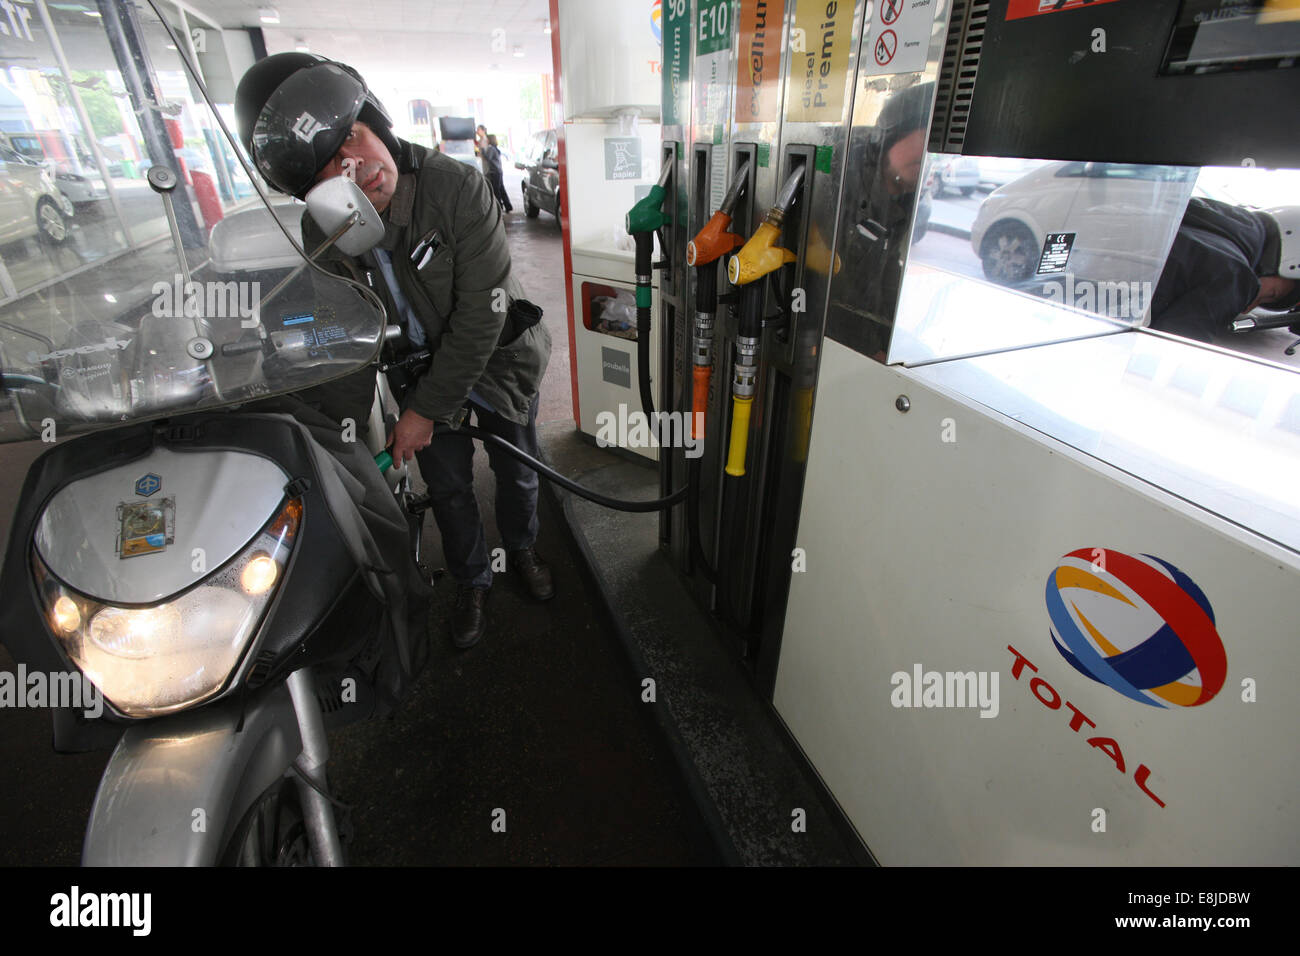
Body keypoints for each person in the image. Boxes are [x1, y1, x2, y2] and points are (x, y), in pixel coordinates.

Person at [235, 53, 555, 650]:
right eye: (330, 164)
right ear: (309, 190)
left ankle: (523, 549)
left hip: (497, 359)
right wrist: (340, 443)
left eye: (353, 134)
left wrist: (423, 412)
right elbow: (341, 336)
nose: (357, 164)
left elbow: (479, 315)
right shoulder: (320, 232)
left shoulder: (454, 186)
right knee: (451, 486)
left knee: (519, 470)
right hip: (418, 372)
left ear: (373, 117)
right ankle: (472, 579)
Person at [1150, 198, 1300, 343]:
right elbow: (1172, 349)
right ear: (1278, 260)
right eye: (1270, 295)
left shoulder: (1190, 208)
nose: (1247, 310)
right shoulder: (1234, 275)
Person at [483, 134, 514, 213]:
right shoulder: (495, 148)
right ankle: (508, 206)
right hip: (499, 171)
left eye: (486, 139)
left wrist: (482, 150)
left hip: (494, 171)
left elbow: (488, 157)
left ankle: (499, 207)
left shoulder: (491, 149)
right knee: (501, 188)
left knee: (496, 189)